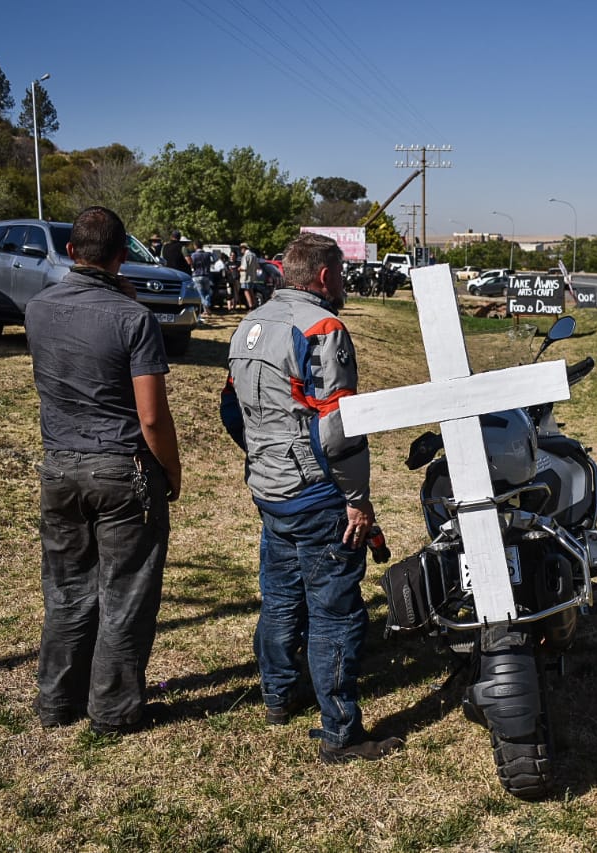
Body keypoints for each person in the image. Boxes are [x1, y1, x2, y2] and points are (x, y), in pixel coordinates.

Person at [222, 232, 402, 764]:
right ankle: (341, 733)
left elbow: (232, 412)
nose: (344, 285)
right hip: (317, 494)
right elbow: (338, 425)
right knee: (336, 614)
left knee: (280, 596)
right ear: (324, 276)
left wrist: (266, 455)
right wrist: (357, 499)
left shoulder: (248, 323)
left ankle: (279, 696)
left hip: (269, 489)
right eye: (342, 275)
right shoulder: (324, 328)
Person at [24, 206, 182, 736]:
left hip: (59, 466)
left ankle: (56, 699)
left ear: (72, 252)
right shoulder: (134, 319)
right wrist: (172, 471)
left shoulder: (38, 308)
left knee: (66, 587)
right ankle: (113, 709)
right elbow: (152, 416)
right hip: (123, 469)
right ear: (123, 257)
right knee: (125, 593)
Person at [190, 240, 213, 317]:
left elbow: (192, 265)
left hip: (196, 275)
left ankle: (206, 305)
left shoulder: (193, 255)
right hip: (206, 275)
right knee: (208, 292)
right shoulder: (207, 255)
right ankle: (206, 309)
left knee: (201, 294)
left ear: (195, 246)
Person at [237, 242, 259, 310]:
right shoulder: (254, 255)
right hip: (252, 277)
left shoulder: (245, 256)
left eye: (241, 249)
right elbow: (257, 266)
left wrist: (239, 268)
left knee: (246, 291)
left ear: (244, 248)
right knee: (251, 291)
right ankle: (255, 304)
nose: (241, 250)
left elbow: (244, 267)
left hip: (245, 277)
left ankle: (250, 306)